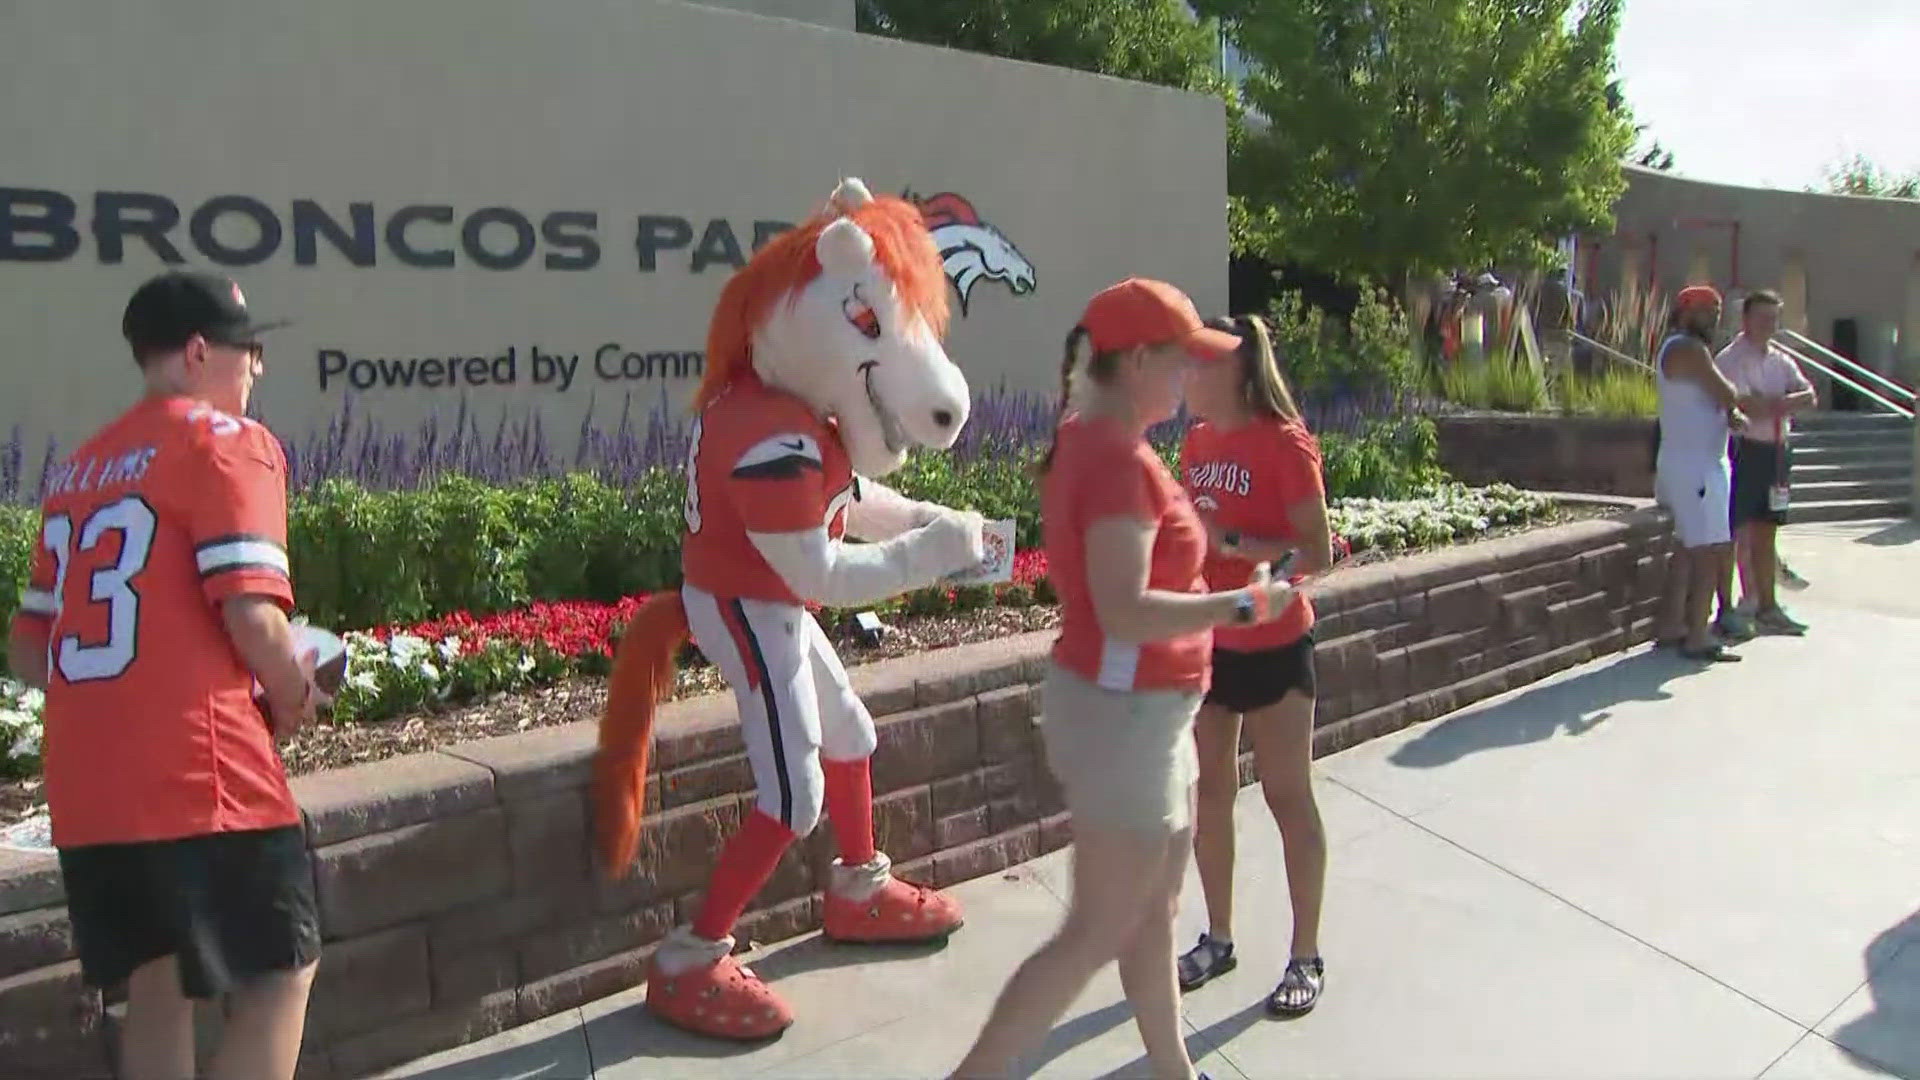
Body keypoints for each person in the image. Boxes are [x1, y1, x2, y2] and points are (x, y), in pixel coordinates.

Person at [951, 279, 1295, 1080]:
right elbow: (1125, 610)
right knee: (1097, 931)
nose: (1191, 382)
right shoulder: (1113, 459)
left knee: (1154, 912)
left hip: (1150, 715)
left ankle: (1174, 1071)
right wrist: (1244, 606)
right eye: (1181, 364)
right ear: (1138, 361)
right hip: (1124, 716)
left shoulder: (1098, 439)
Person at [5, 272, 328, 1080]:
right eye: (249, 350)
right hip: (204, 778)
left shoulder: (76, 472)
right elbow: (254, 618)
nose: (256, 368)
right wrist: (295, 695)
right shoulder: (230, 445)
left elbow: (29, 652)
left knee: (158, 989)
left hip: (89, 790)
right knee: (284, 970)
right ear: (196, 352)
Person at [1174, 315, 1337, 1016]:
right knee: (1210, 793)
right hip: (1213, 646)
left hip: (1275, 647)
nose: (1185, 381)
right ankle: (1218, 937)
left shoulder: (1284, 444)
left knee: (1286, 796)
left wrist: (1236, 542)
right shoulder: (1196, 444)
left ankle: (1306, 956)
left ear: (1233, 373)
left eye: (1197, 366)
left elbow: (1317, 554)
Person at [1652, 285, 1749, 662]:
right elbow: (1727, 392)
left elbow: (1715, 400)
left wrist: (1728, 411)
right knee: (1708, 553)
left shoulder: (1684, 350)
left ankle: (1674, 625)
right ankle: (1698, 635)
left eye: (1717, 309)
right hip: (1695, 468)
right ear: (1685, 312)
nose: (1714, 316)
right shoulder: (1688, 349)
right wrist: (1731, 403)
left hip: (1695, 463)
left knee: (1685, 552)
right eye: (1706, 309)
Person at [1712, 289, 1815, 637]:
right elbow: (1744, 404)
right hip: (1746, 450)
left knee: (1768, 529)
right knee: (1741, 530)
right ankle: (1746, 601)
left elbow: (1809, 394)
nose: (1769, 325)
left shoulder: (1780, 359)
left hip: (1777, 452)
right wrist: (1782, 402)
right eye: (1763, 318)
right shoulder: (1731, 359)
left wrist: (1775, 403)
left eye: (1774, 319)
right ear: (1746, 320)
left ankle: (1769, 606)